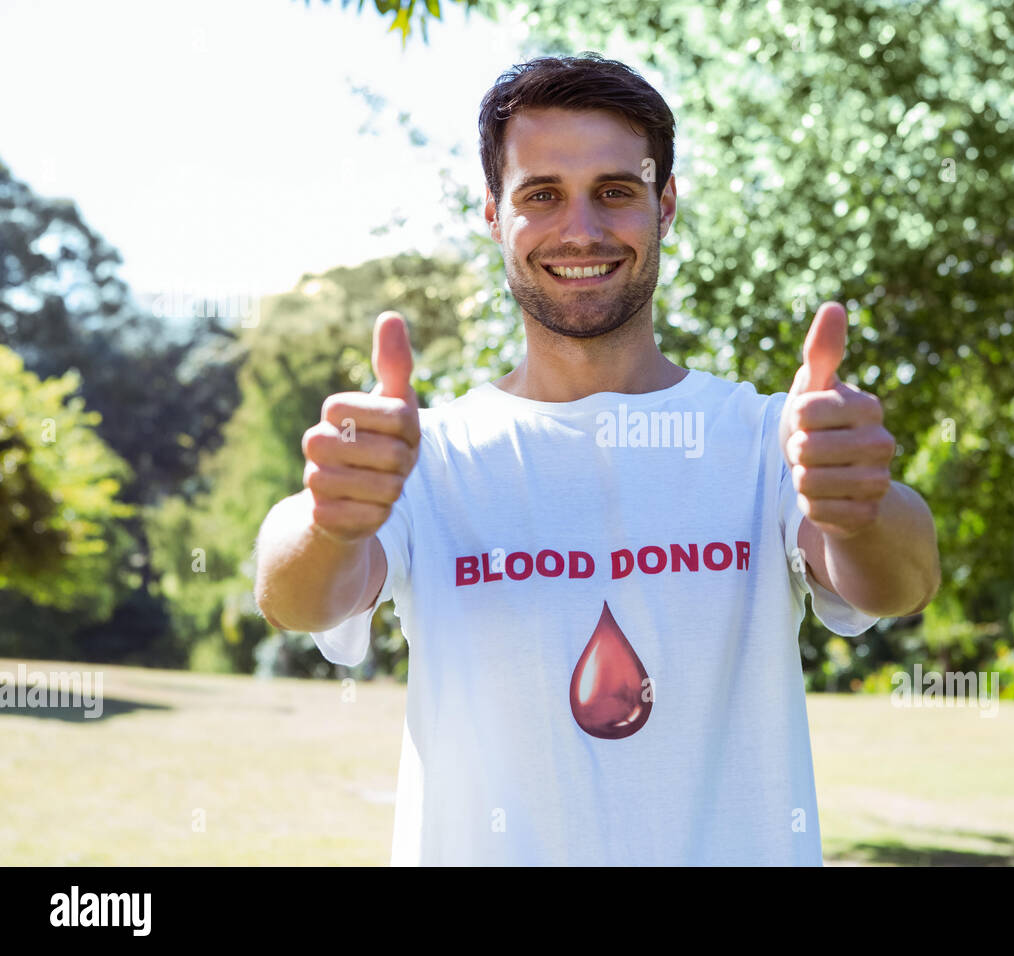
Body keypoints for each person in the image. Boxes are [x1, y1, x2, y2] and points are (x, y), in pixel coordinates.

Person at [254, 52, 940, 866]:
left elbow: (898, 581)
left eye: (615, 191)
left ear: (665, 204)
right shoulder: (424, 457)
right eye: (541, 195)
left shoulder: (768, 440)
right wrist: (330, 523)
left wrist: (859, 507)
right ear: (492, 213)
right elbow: (292, 595)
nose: (580, 229)